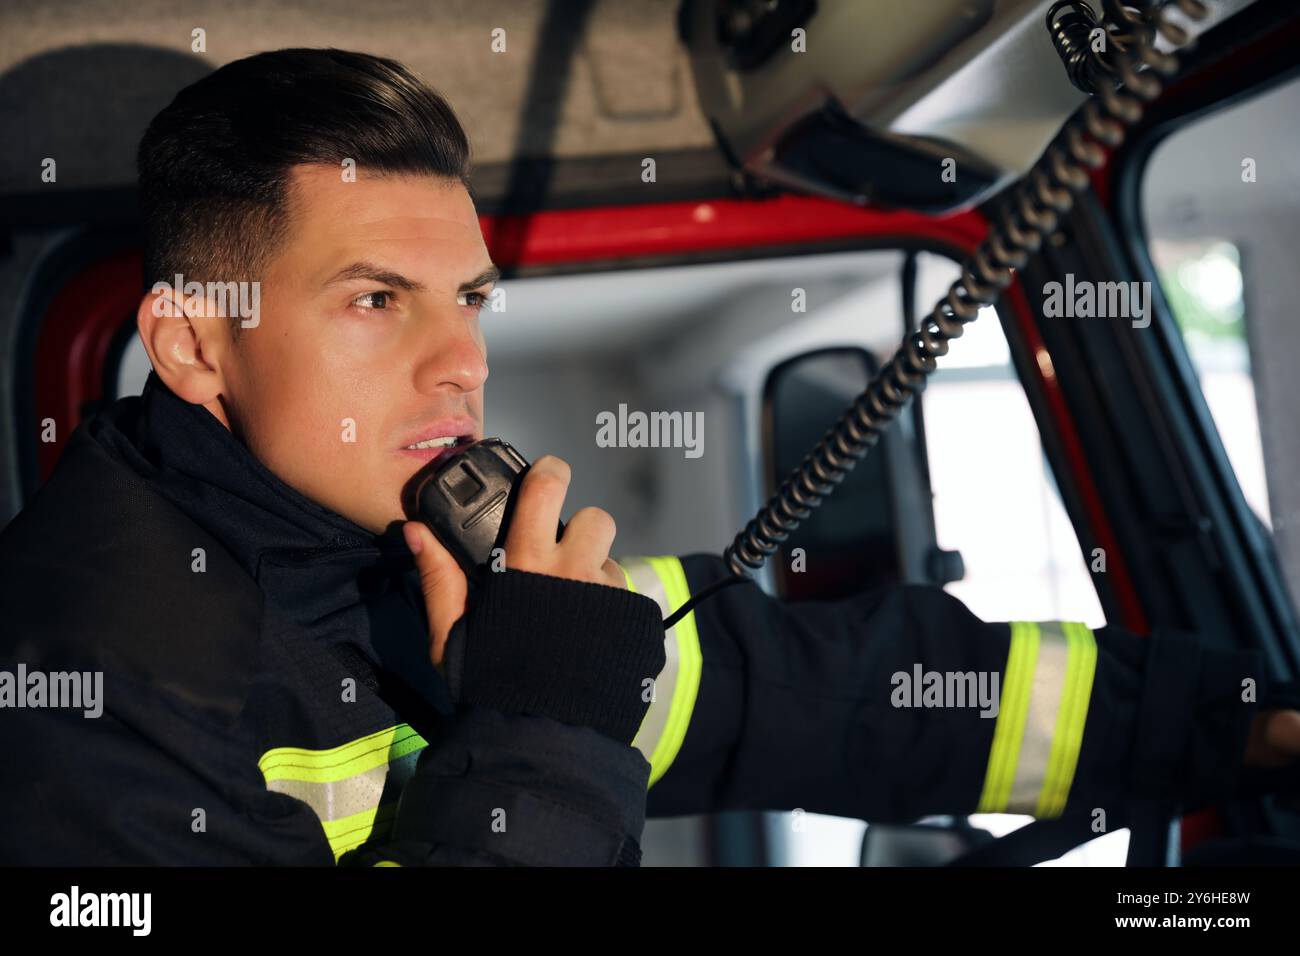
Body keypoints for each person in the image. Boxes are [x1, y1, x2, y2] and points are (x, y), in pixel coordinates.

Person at [1, 48, 1297, 866]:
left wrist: (1226, 723)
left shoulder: (408, 552)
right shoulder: (84, 695)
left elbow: (799, 688)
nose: (462, 363)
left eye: (472, 299)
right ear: (190, 348)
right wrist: (543, 729)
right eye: (377, 299)